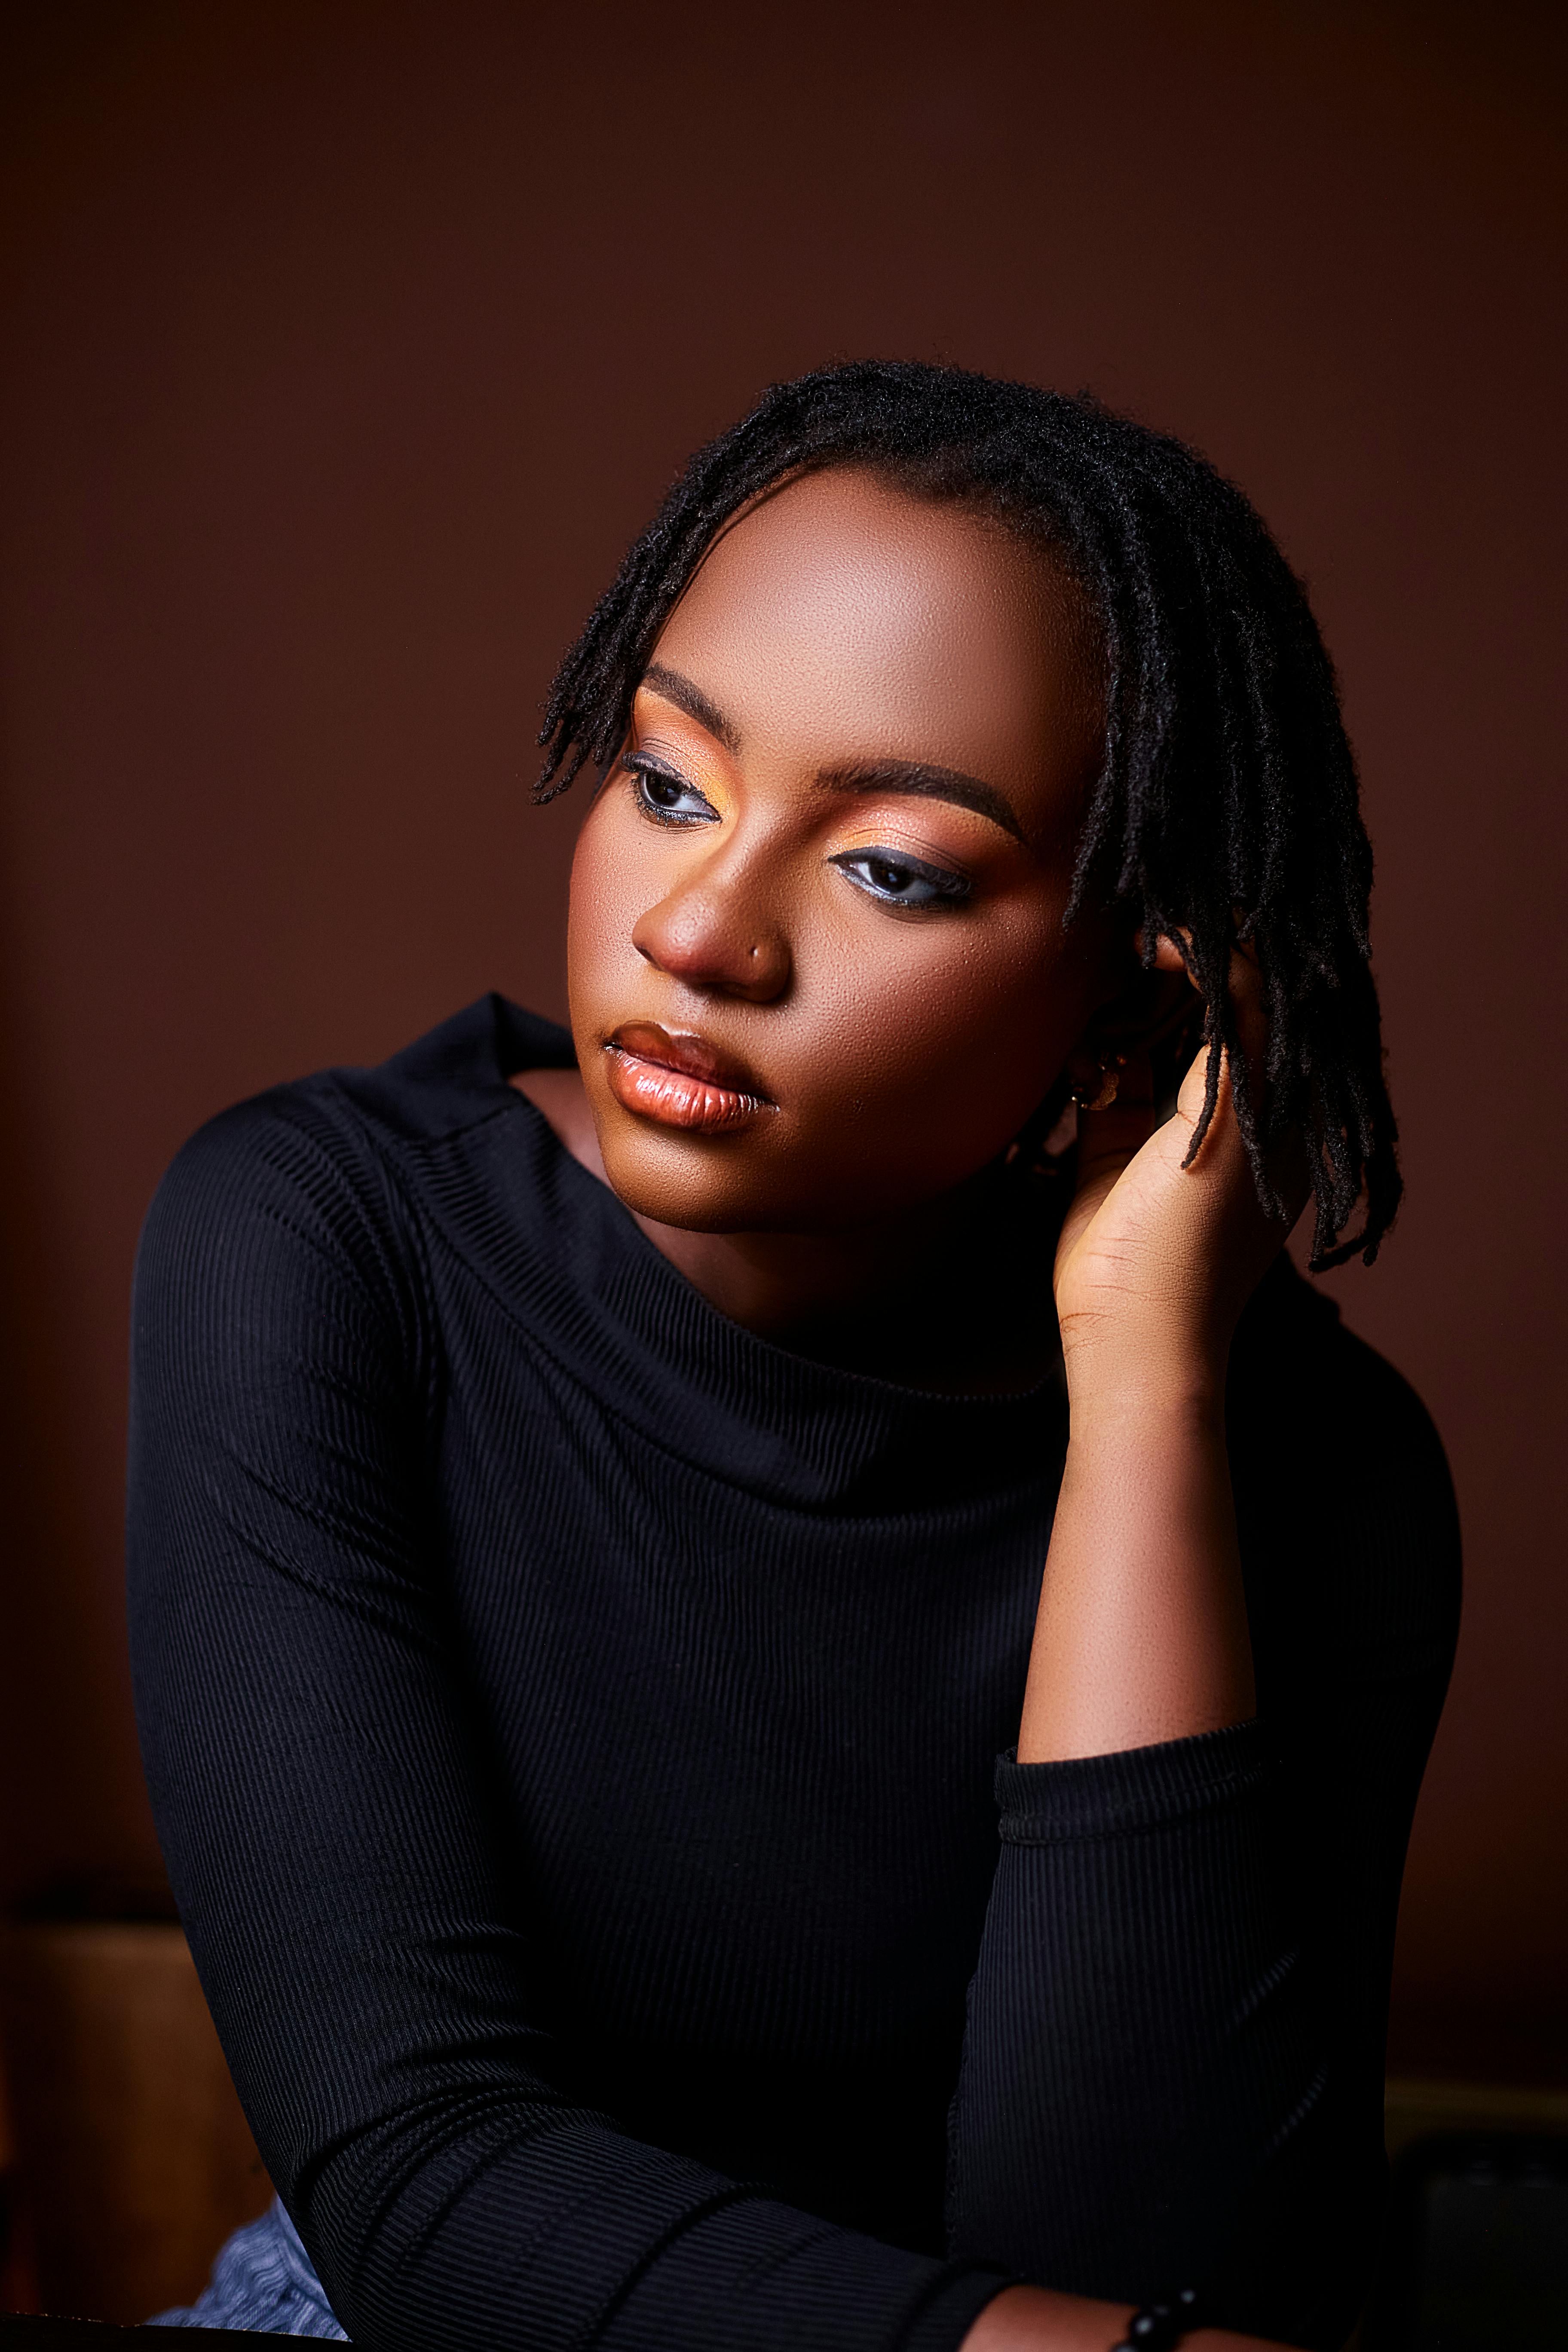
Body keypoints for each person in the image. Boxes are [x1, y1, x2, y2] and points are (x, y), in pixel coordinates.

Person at [128, 361, 1460, 2352]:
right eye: (672, 784)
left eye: (891, 866)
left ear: (1134, 992)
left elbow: (1159, 2272)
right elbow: (420, 2180)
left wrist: (1143, 1392)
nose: (700, 931)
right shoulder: (323, 1243)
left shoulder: (1319, 1467)